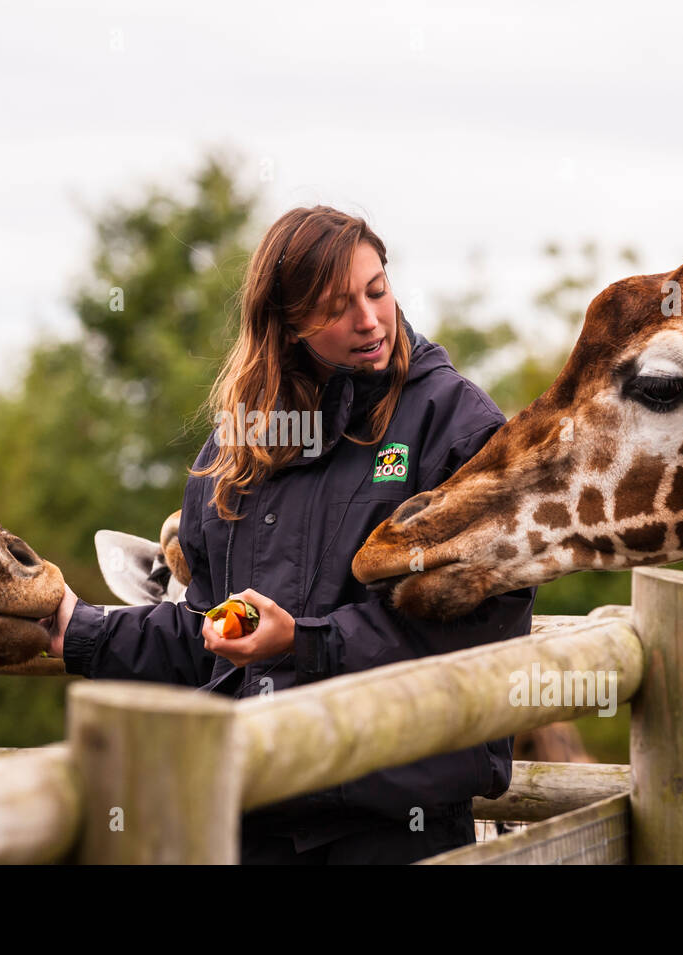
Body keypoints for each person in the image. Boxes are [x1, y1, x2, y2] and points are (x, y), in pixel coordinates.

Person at [42, 206, 536, 864]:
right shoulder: (239, 449)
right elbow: (209, 635)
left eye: (377, 289)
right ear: (287, 324)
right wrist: (80, 629)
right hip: (251, 819)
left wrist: (303, 643)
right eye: (336, 307)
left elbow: (477, 628)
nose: (368, 320)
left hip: (397, 829)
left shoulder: (457, 425)